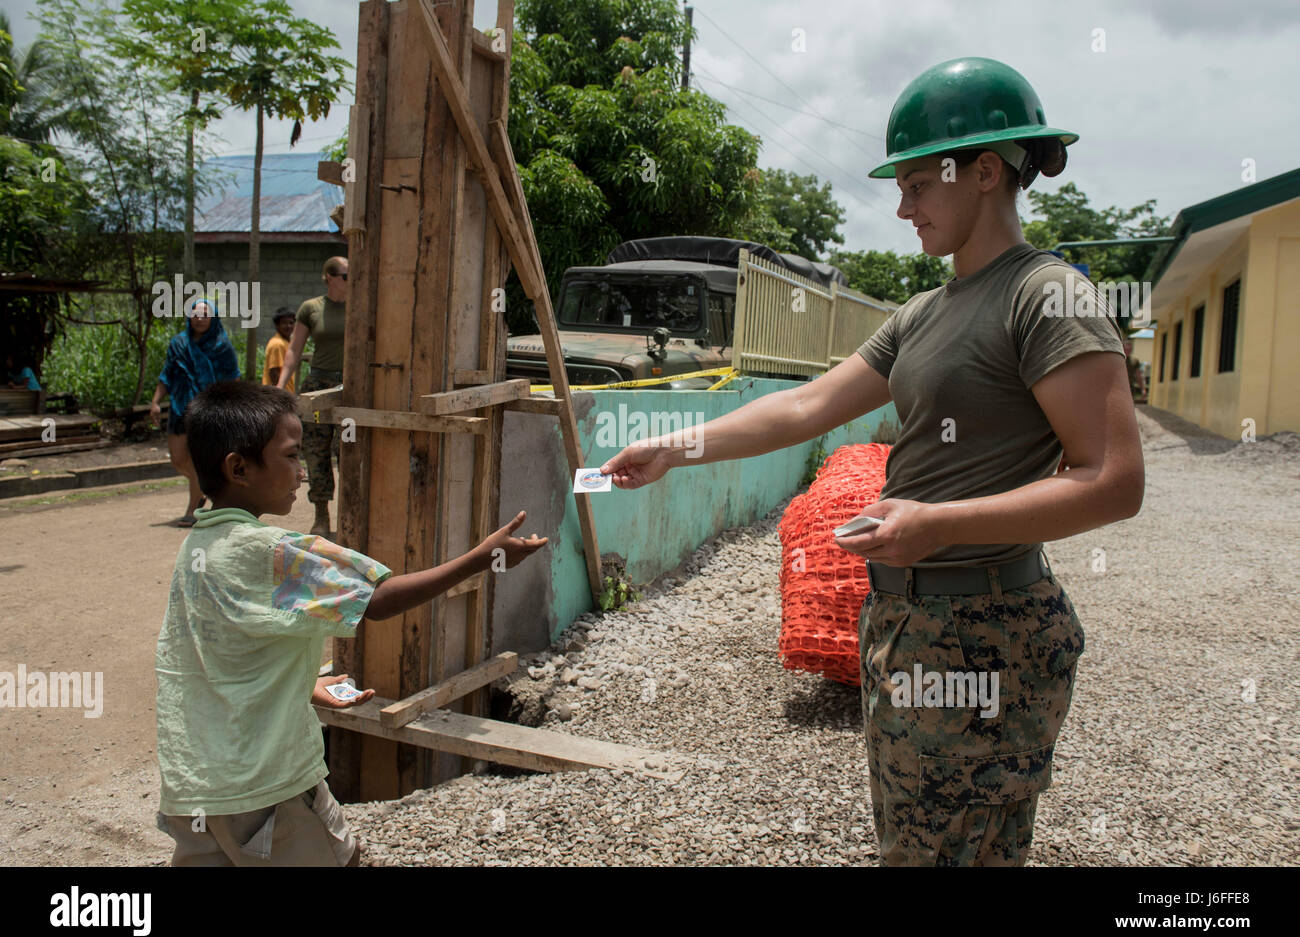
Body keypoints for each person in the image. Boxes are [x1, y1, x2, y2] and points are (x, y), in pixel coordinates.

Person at [600, 57, 1145, 866]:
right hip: (906, 625)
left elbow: (1112, 481)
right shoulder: (926, 310)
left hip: (986, 633)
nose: (902, 207)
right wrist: (675, 448)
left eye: (919, 184)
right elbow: (806, 406)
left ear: (986, 171)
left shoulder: (1046, 295)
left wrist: (938, 525)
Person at [153, 379, 547, 866]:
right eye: (293, 456)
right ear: (239, 467)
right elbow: (377, 600)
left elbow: (212, 656)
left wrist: (299, 688)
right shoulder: (275, 552)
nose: (303, 473)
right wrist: (480, 559)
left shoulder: (196, 549)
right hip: (265, 787)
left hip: (194, 788)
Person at [151, 298, 240, 527]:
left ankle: (193, 508)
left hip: (208, 410)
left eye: (205, 314)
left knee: (198, 459)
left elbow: (233, 380)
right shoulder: (178, 343)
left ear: (213, 318)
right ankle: (208, 487)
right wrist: (155, 402)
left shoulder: (222, 346)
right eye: (196, 314)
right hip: (180, 408)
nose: (199, 318)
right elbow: (167, 375)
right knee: (178, 459)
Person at [276, 256, 347, 536]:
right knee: (316, 452)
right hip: (318, 385)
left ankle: (349, 513)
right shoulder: (311, 308)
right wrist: (282, 384)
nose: (350, 280)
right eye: (345, 275)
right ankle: (321, 515)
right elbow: (294, 349)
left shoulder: (363, 304)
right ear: (329, 277)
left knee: (349, 452)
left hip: (350, 388)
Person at [263, 307, 299, 394]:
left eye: (291, 323)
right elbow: (274, 373)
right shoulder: (277, 344)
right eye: (284, 323)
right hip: (278, 395)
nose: (288, 326)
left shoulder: (286, 342)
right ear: (277, 325)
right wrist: (280, 395)